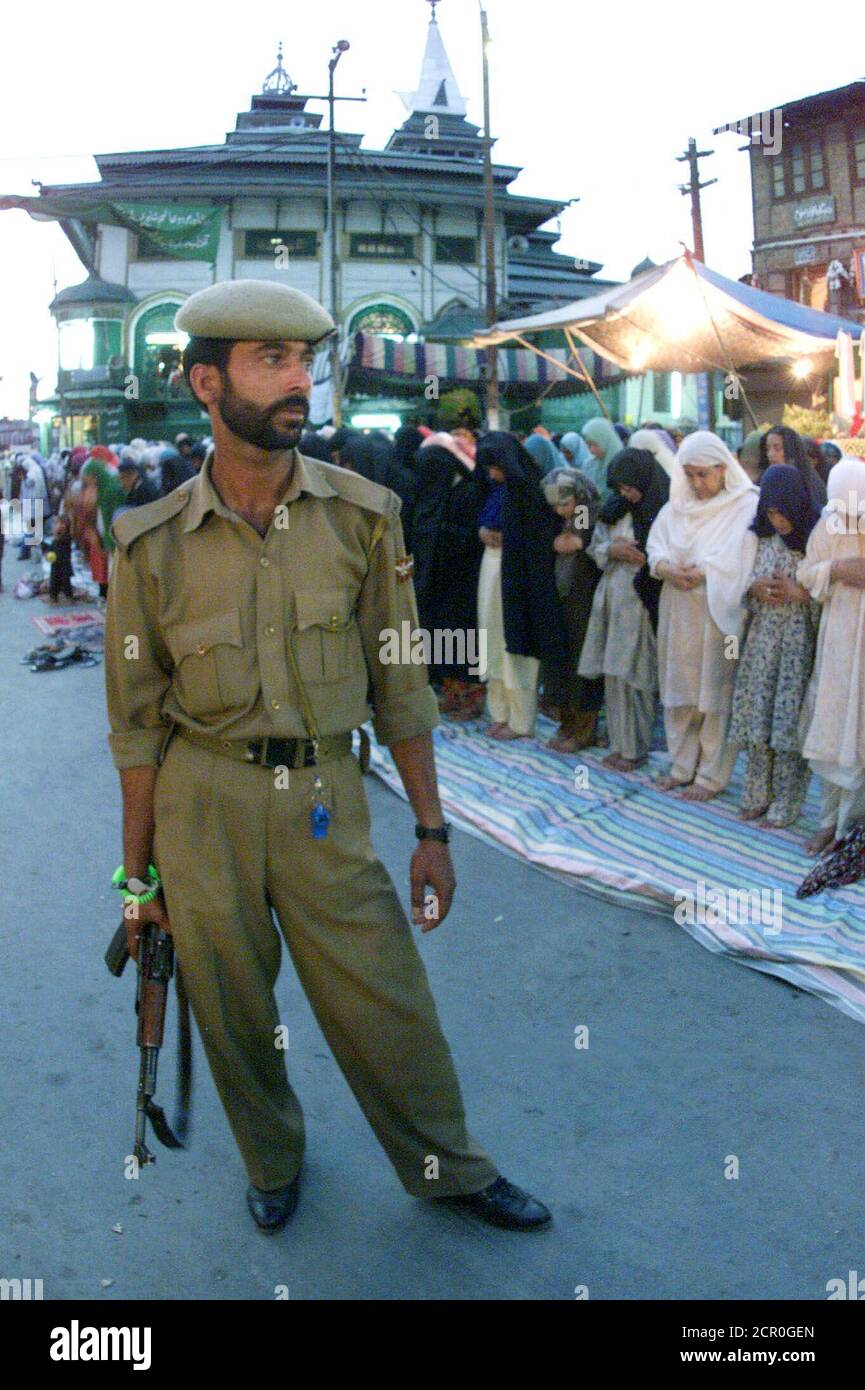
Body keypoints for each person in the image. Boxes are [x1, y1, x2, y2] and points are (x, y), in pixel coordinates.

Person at [103, 279, 549, 1235]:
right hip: (202, 803)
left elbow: (401, 685)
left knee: (385, 995)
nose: (300, 381)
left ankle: (448, 1166)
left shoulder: (363, 517)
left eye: (306, 360)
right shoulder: (147, 546)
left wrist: (432, 830)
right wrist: (136, 881)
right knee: (228, 1008)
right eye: (274, 361)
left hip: (322, 794)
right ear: (205, 382)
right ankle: (272, 1160)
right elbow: (136, 727)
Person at [646, 432, 758, 801]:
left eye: (704, 475)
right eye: (689, 474)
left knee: (715, 693)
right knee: (680, 691)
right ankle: (681, 766)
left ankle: (711, 776)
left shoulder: (745, 505)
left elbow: (740, 555)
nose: (696, 483)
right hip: (678, 609)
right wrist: (664, 567)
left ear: (723, 469)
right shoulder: (676, 506)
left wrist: (704, 571)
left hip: (719, 616)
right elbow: (656, 543)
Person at [728, 465, 821, 827]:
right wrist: (754, 589)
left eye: (783, 512)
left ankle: (785, 804)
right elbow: (743, 580)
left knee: (786, 725)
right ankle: (756, 795)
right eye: (771, 512)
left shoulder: (814, 540)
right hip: (761, 644)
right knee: (756, 717)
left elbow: (826, 594)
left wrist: (802, 594)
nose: (778, 520)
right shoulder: (761, 538)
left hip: (796, 649)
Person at [579, 448, 669, 769]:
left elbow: (664, 556)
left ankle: (635, 749)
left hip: (641, 601)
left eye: (630, 486)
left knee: (636, 676)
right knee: (614, 676)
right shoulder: (614, 509)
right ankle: (619, 744)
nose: (625, 493)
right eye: (620, 487)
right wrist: (613, 549)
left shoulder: (660, 511)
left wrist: (644, 557)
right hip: (612, 599)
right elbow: (594, 546)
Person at [474, 432, 568, 741]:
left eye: (495, 466)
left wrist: (509, 540)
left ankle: (520, 720)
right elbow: (487, 521)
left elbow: (541, 537)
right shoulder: (499, 490)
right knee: (492, 638)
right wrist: (485, 533)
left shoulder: (530, 490)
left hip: (521, 580)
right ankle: (500, 712)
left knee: (516, 643)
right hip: (493, 569)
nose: (491, 474)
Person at [798, 457, 865, 856]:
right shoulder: (828, 524)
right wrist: (839, 568)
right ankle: (829, 823)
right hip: (839, 638)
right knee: (833, 723)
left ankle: (849, 829)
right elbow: (807, 572)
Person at [412, 431, 488, 719]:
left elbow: (469, 537)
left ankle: (470, 699)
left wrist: (445, 537)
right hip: (442, 580)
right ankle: (453, 695)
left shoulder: (468, 490)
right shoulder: (444, 490)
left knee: (464, 638)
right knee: (444, 636)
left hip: (464, 580)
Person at [540, 467, 605, 751]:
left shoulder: (587, 511)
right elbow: (558, 542)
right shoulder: (565, 515)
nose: (559, 511)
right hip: (566, 599)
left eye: (564, 504)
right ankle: (568, 723)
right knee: (565, 663)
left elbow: (577, 540)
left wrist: (565, 542)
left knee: (582, 663)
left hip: (584, 597)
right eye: (554, 506)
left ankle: (584, 729)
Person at [80, 455, 126, 598]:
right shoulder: (104, 487)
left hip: (117, 542)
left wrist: (109, 544)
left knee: (116, 575)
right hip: (110, 540)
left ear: (94, 476)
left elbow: (111, 520)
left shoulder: (110, 490)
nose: (86, 481)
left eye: (87, 477)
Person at [758, 425, 826, 509]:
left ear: (790, 450)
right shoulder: (767, 481)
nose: (770, 454)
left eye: (777, 448)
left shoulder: (809, 483)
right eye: (768, 449)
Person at [580, 418, 621, 505]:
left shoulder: (622, 465)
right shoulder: (589, 465)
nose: (591, 450)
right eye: (588, 445)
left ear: (605, 441)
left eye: (594, 444)